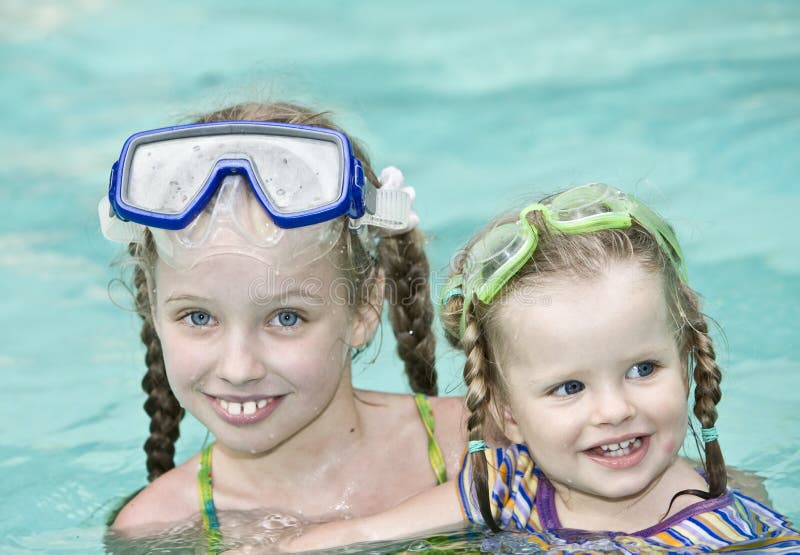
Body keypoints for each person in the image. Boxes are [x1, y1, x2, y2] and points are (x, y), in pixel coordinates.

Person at [285, 183, 800, 552]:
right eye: (569, 386)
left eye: (643, 369)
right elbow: (361, 534)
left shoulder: (732, 538)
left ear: (687, 362)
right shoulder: (511, 485)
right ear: (506, 413)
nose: (615, 409)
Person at [99, 102, 466, 548]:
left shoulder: (474, 445)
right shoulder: (154, 529)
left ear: (364, 309)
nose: (239, 368)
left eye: (286, 318)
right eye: (198, 317)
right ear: (153, 311)